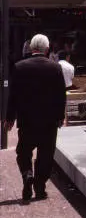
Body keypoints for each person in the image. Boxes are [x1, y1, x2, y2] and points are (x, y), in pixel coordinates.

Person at [6, 34, 66, 201]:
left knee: (23, 152)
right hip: (49, 121)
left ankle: (27, 175)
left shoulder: (19, 67)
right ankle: (40, 186)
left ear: (31, 48)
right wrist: (60, 117)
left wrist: (10, 117)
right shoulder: (55, 68)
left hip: (27, 120)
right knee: (46, 154)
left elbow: (13, 95)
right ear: (47, 49)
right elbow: (61, 96)